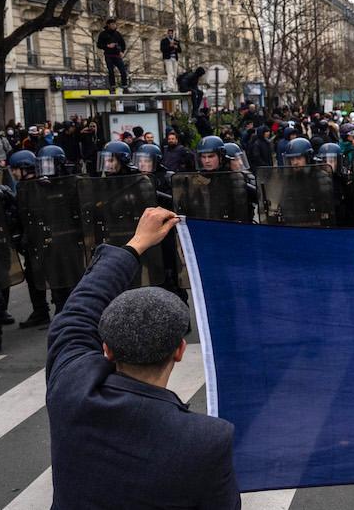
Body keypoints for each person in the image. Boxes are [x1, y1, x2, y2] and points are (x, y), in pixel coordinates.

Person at [46, 207, 239, 509]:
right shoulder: (207, 439)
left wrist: (136, 243)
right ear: (179, 351)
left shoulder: (71, 388)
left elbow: (77, 313)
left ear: (107, 349)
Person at [96, 19, 129, 93]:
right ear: (108, 25)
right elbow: (99, 45)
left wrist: (122, 51)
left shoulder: (117, 34)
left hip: (117, 55)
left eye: (115, 24)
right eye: (112, 24)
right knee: (111, 71)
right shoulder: (103, 34)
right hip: (108, 55)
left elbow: (123, 44)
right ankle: (112, 87)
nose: (114, 26)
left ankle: (125, 87)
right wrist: (107, 46)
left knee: (123, 71)